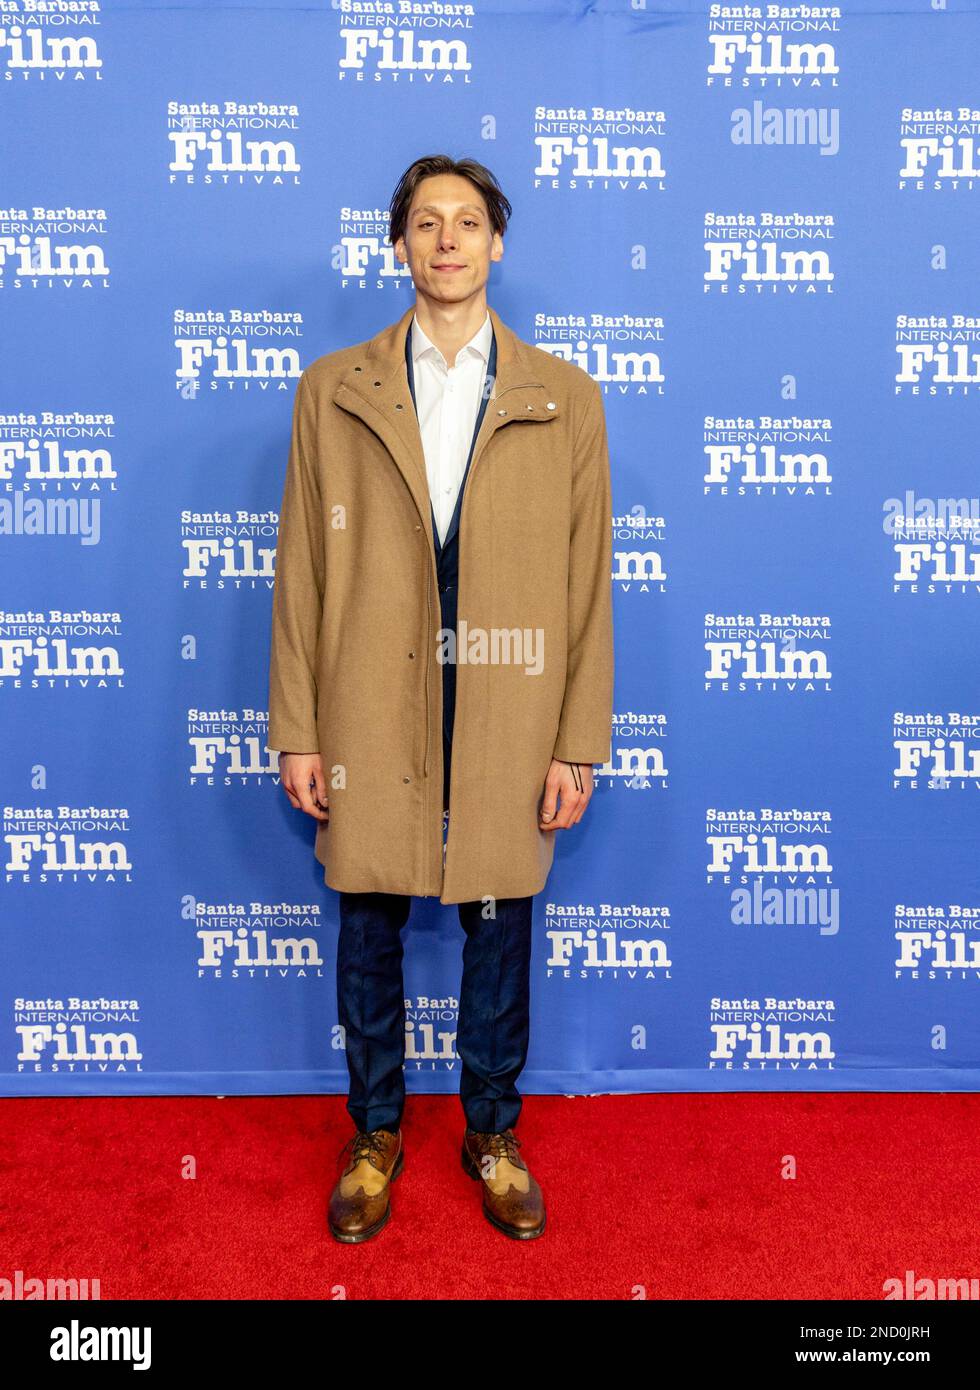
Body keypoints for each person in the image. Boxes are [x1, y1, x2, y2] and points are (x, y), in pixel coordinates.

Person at [267, 154, 613, 1243]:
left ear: (496, 244)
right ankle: (373, 1134)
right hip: (372, 692)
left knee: (499, 926)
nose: (449, 240)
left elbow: (586, 581)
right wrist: (298, 727)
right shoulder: (333, 389)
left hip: (509, 695)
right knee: (366, 918)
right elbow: (298, 572)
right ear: (400, 246)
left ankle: (492, 1130)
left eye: (468, 222)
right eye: (427, 223)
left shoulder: (566, 397)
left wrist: (576, 740)